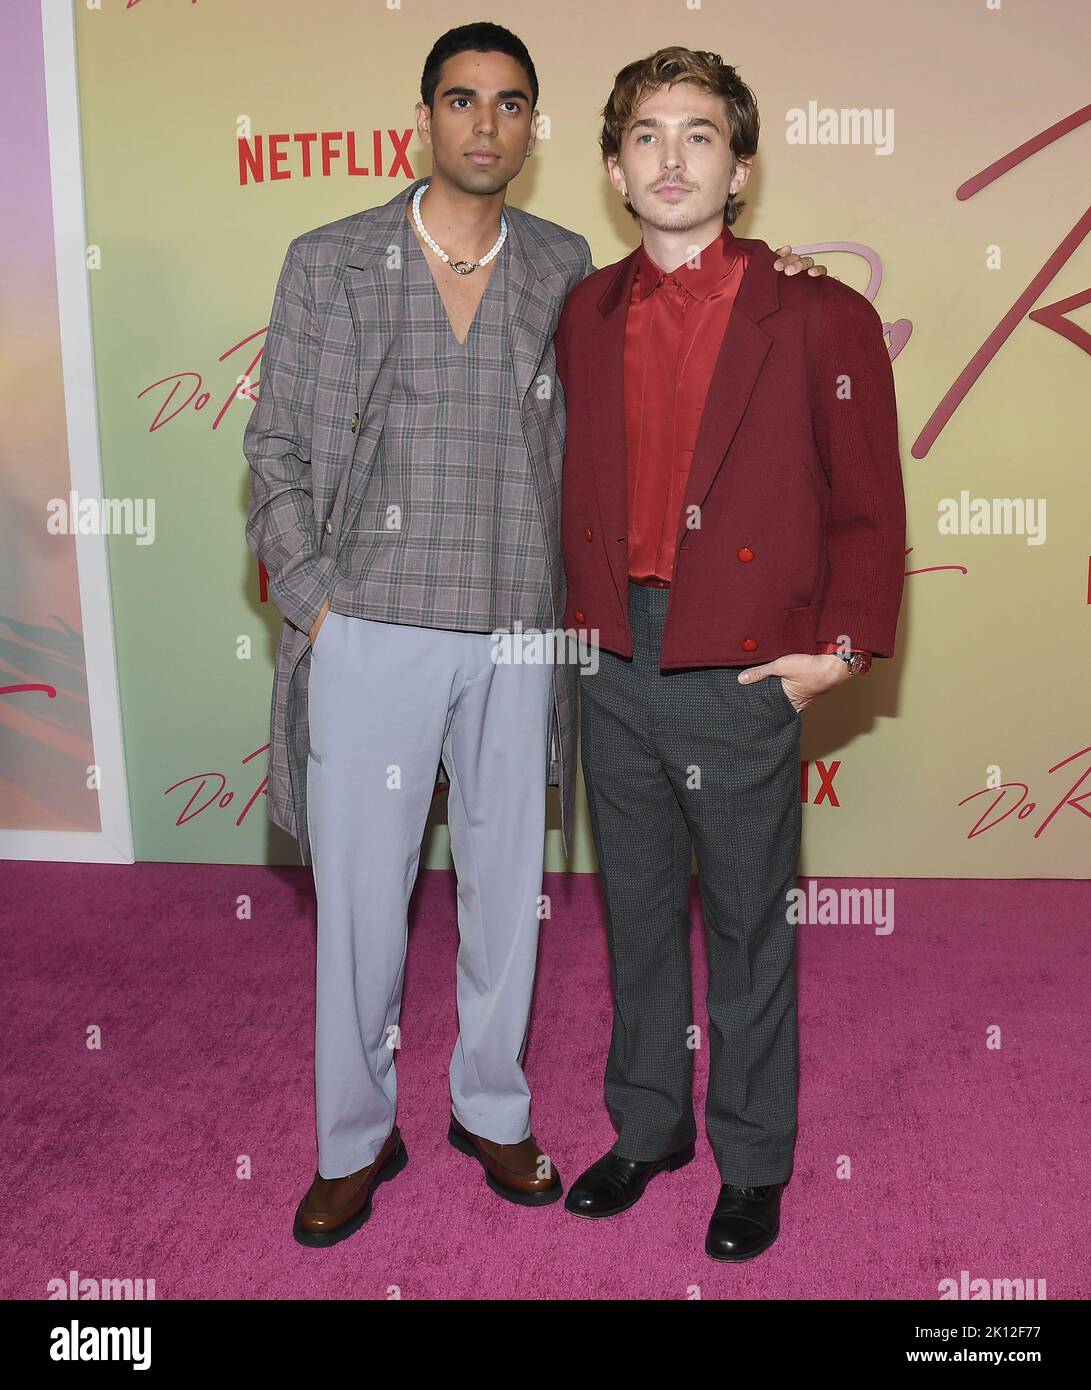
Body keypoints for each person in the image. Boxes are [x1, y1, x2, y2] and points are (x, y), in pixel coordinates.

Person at [244, 22, 824, 1248]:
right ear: (426, 117)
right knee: (358, 904)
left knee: (509, 897)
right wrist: (316, 604)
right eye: (461, 101)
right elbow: (274, 447)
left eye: (509, 104)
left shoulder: (562, 268)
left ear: (533, 129)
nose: (484, 124)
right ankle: (354, 1139)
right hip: (371, 629)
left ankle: (489, 1108)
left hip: (522, 638)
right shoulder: (328, 260)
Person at [555, 46, 906, 1261]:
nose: (669, 156)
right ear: (611, 166)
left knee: (752, 923)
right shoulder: (583, 312)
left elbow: (869, 506)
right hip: (611, 656)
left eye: (697, 135)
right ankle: (648, 1127)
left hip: (741, 661)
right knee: (636, 911)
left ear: (739, 166)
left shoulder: (816, 310)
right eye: (645, 134)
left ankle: (751, 1159)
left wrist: (841, 651)